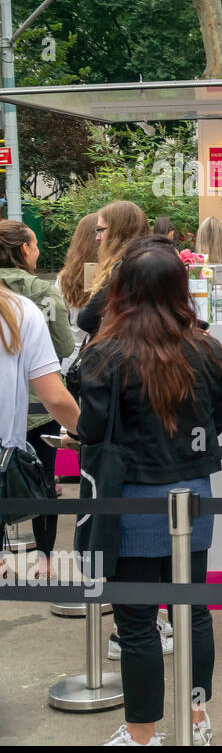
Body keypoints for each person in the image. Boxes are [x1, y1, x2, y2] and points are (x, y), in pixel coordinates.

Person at [78, 237, 222, 746]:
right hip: (194, 495)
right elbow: (218, 419)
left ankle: (142, 734)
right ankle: (198, 721)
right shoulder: (207, 348)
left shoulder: (106, 353)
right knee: (193, 613)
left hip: (129, 502)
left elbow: (93, 428)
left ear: (122, 290)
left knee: (137, 621)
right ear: (180, 288)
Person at [0, 222, 76, 579]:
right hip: (38, 400)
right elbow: (63, 347)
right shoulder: (38, 293)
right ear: (24, 249)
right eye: (34, 244)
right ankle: (44, 558)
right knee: (43, 479)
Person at [78, 201, 149, 340]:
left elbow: (86, 319)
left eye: (100, 230)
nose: (97, 238)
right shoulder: (156, 260)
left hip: (121, 353)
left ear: (118, 231)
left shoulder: (120, 268)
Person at [57, 213, 99, 324]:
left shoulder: (65, 277)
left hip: (72, 339)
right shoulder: (111, 272)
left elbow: (57, 316)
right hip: (103, 339)